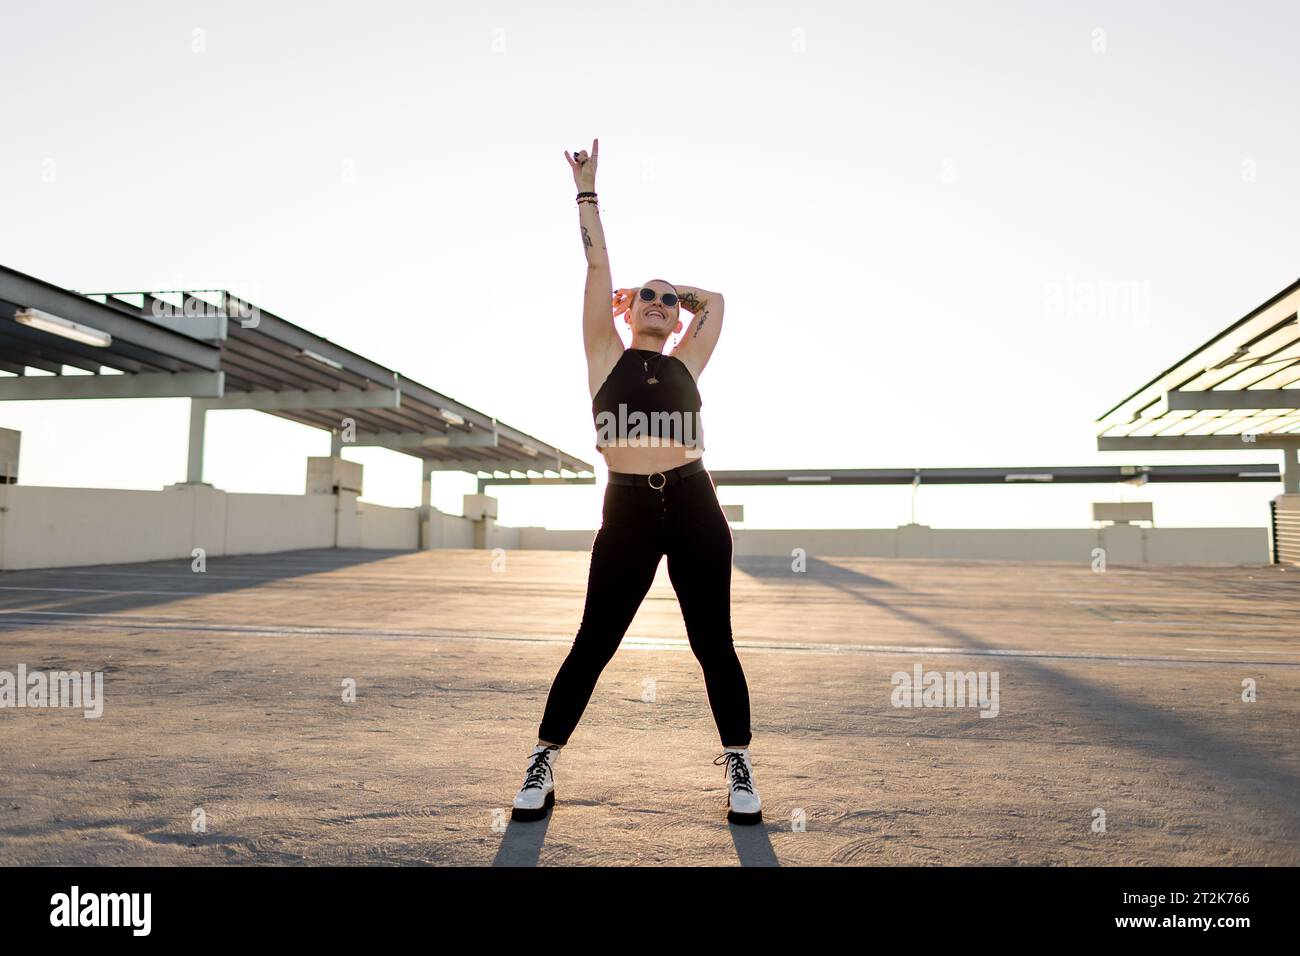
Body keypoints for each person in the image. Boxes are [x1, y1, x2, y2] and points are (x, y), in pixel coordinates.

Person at [510, 138, 760, 826]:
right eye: (644, 297)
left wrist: (678, 295)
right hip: (625, 513)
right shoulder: (603, 353)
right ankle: (542, 762)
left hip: (694, 504)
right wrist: (586, 189)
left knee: (715, 643)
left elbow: (719, 301)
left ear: (677, 315)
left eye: (666, 300)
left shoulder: (688, 359)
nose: (656, 302)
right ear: (624, 312)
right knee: (594, 640)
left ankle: (739, 765)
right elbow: (595, 261)